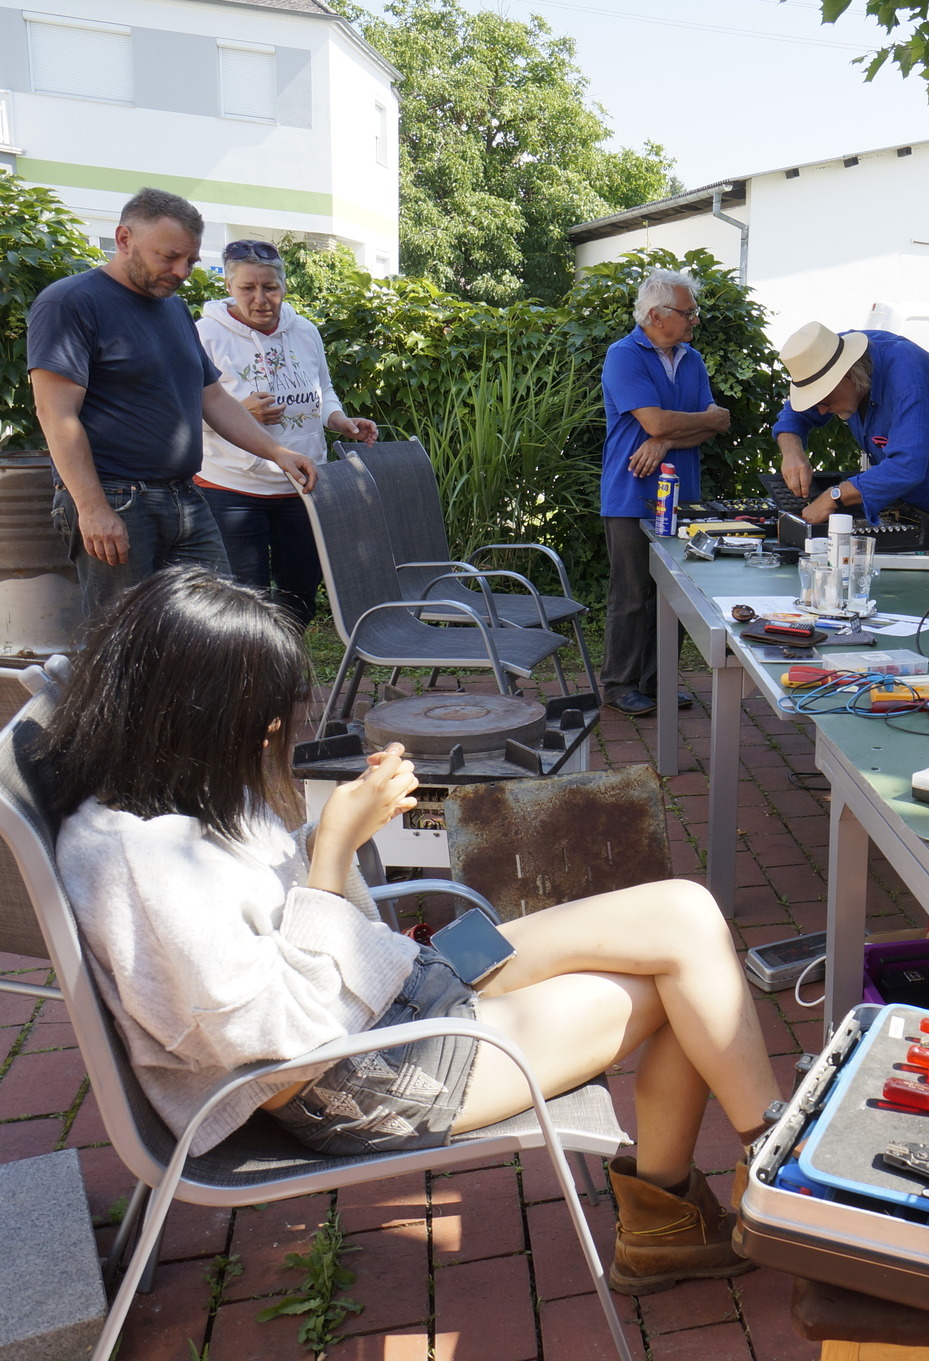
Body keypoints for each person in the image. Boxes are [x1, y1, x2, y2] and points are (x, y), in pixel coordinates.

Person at [45, 567, 782, 1290]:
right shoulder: (148, 865)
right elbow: (291, 1046)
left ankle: (756, 1171)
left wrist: (335, 830)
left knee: (685, 911)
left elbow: (287, 925)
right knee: (680, 989)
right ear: (189, 708)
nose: (274, 727)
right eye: (261, 710)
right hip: (372, 1073)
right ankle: (752, 1199)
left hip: (399, 981)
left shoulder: (156, 796)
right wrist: (332, 847)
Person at [27, 188, 321, 619]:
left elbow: (212, 397)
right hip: (117, 499)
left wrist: (277, 451)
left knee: (214, 625)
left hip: (185, 496)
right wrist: (92, 509)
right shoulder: (71, 303)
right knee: (125, 639)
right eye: (169, 257)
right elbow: (56, 414)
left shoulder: (173, 309)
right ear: (124, 239)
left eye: (191, 261)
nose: (181, 271)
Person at [194, 239, 375, 630]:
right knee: (242, 598)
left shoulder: (305, 331)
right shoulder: (204, 336)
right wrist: (242, 411)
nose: (261, 298)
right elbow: (183, 412)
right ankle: (247, 679)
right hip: (232, 489)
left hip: (303, 485)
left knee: (300, 592)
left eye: (270, 287)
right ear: (228, 286)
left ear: (284, 286)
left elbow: (322, 390)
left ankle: (287, 667)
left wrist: (340, 420)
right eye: (248, 288)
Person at [599, 269, 729, 715]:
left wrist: (666, 439)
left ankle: (658, 683)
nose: (695, 320)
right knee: (632, 594)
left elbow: (715, 425)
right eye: (687, 312)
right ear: (655, 315)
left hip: (682, 496)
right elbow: (665, 420)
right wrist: (673, 426)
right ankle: (618, 686)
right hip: (631, 493)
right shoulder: (624, 355)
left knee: (672, 594)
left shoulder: (692, 359)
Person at [774, 322, 929, 563]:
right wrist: (792, 451)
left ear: (848, 376)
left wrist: (833, 497)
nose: (821, 410)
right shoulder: (828, 354)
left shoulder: (910, 378)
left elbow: (906, 468)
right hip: (906, 504)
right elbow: (795, 414)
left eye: (825, 399)